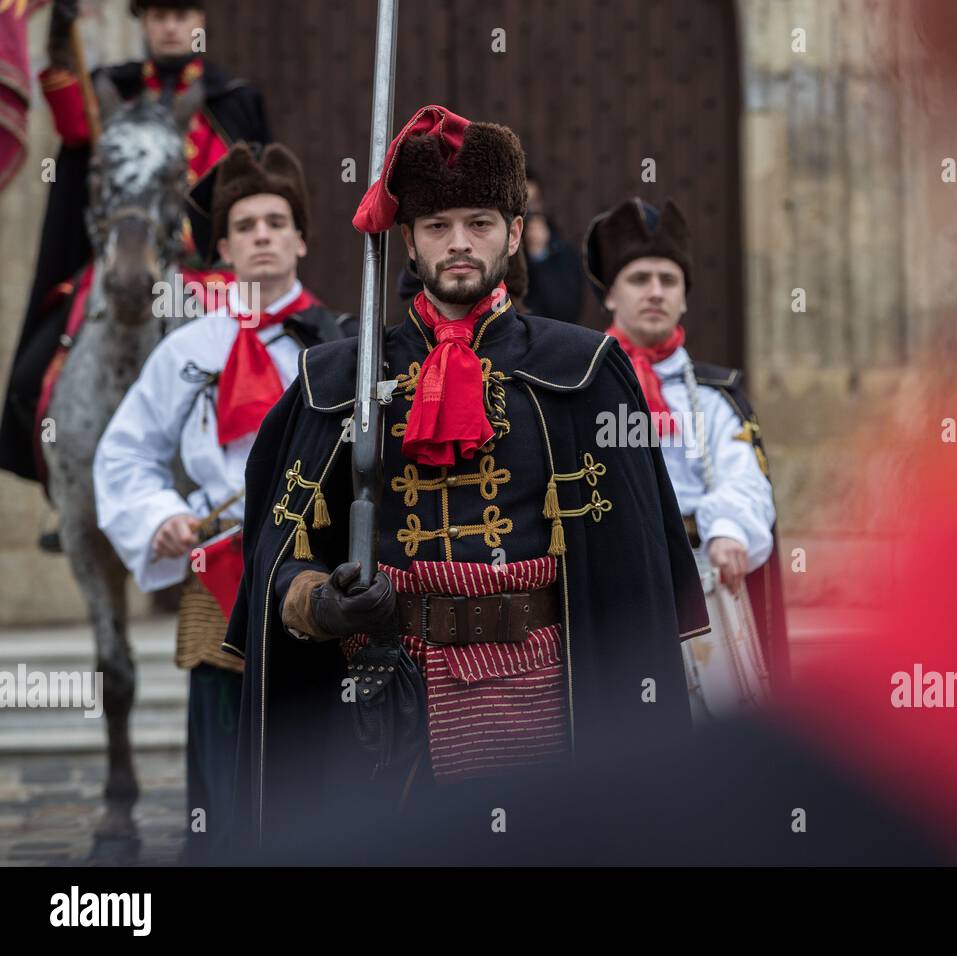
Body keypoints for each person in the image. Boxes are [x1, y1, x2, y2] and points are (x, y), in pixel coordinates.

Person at [221, 104, 707, 855]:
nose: (458, 244)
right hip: (380, 703)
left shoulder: (582, 372)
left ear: (514, 233)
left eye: (480, 222)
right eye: (437, 225)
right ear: (407, 241)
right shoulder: (335, 380)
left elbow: (634, 568)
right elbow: (277, 550)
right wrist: (321, 602)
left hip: (539, 701)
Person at [92, 142, 352, 863]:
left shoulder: (346, 346)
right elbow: (124, 452)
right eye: (244, 225)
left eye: (276, 221)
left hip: (315, 574)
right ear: (223, 247)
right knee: (224, 765)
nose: (262, 235)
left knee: (313, 749)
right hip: (220, 574)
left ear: (301, 237)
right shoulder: (189, 348)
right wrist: (159, 516)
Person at [1, 0, 271, 493]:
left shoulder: (234, 100)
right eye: (158, 17)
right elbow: (75, 125)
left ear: (200, 22)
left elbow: (256, 194)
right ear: (143, 23)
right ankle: (67, 490)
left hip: (210, 275)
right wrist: (61, 43)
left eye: (181, 16)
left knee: (275, 374)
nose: (170, 27)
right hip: (123, 264)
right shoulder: (109, 87)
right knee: (29, 378)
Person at [584, 197, 790, 709]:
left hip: (705, 581)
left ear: (684, 298)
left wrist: (729, 531)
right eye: (639, 279)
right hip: (614, 592)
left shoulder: (719, 396)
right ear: (610, 295)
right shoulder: (579, 388)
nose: (655, 292)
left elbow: (744, 477)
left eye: (668, 280)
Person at [521, 167, 584, 323]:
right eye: (521, 205)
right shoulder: (497, 252)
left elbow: (566, 313)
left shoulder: (563, 253)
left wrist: (540, 257)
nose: (527, 212)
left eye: (533, 203)